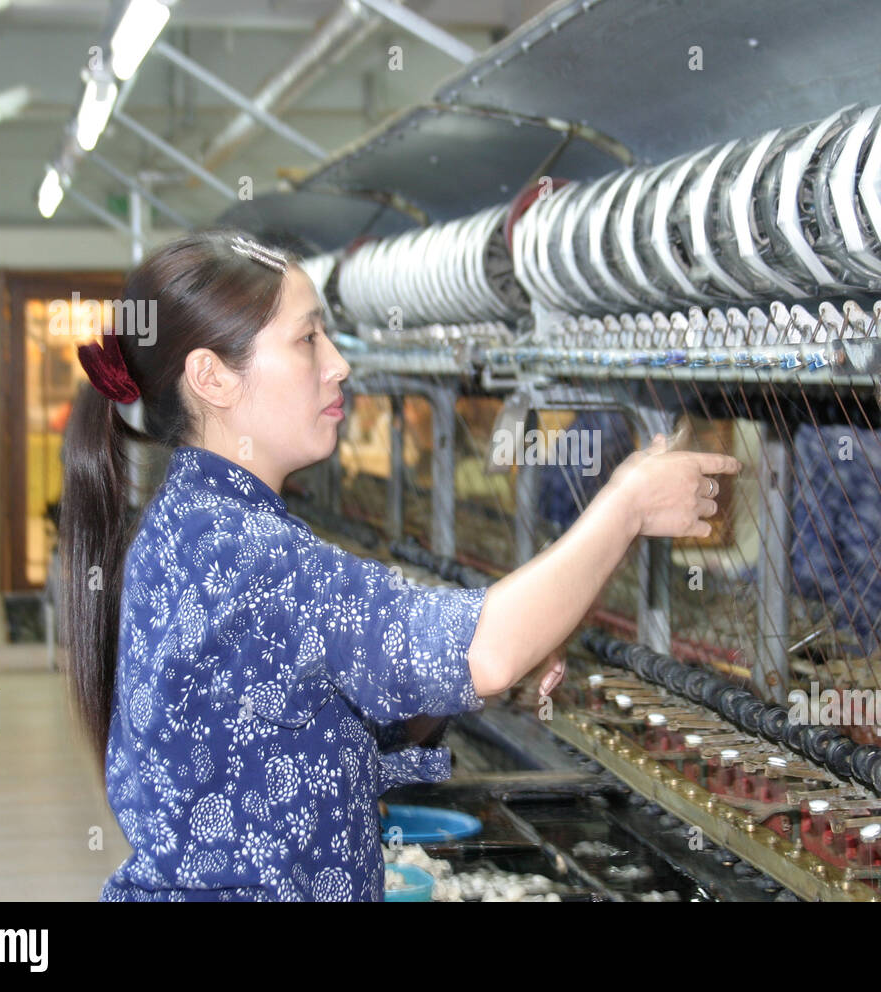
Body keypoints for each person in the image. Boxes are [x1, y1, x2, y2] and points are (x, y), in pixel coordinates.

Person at [57, 229, 740, 902]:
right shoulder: (246, 552)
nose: (339, 364)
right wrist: (627, 504)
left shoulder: (197, 523)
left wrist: (468, 675)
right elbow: (486, 649)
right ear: (211, 377)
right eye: (307, 340)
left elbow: (305, 723)